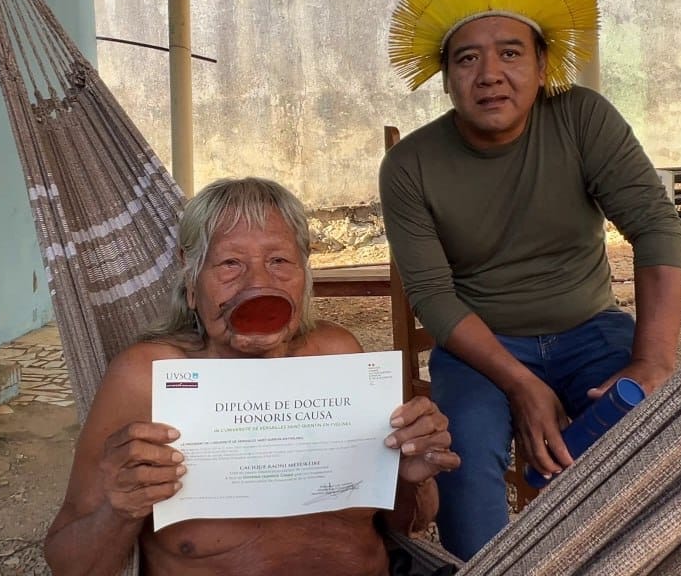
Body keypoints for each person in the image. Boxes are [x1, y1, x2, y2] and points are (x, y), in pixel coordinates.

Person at [380, 0, 681, 560]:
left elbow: (656, 227)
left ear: (543, 63)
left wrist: (655, 360)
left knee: (651, 439)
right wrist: (522, 385)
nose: (490, 74)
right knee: (463, 456)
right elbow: (433, 297)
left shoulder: (582, 119)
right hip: (479, 347)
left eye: (511, 53)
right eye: (467, 58)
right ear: (446, 76)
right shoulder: (410, 165)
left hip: (590, 329)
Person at [44, 177, 460, 576]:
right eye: (230, 263)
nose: (258, 283)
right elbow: (70, 566)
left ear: (304, 276)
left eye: (279, 261)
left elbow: (406, 527)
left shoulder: (336, 356)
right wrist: (117, 511)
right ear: (191, 280)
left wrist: (412, 479)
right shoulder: (146, 377)